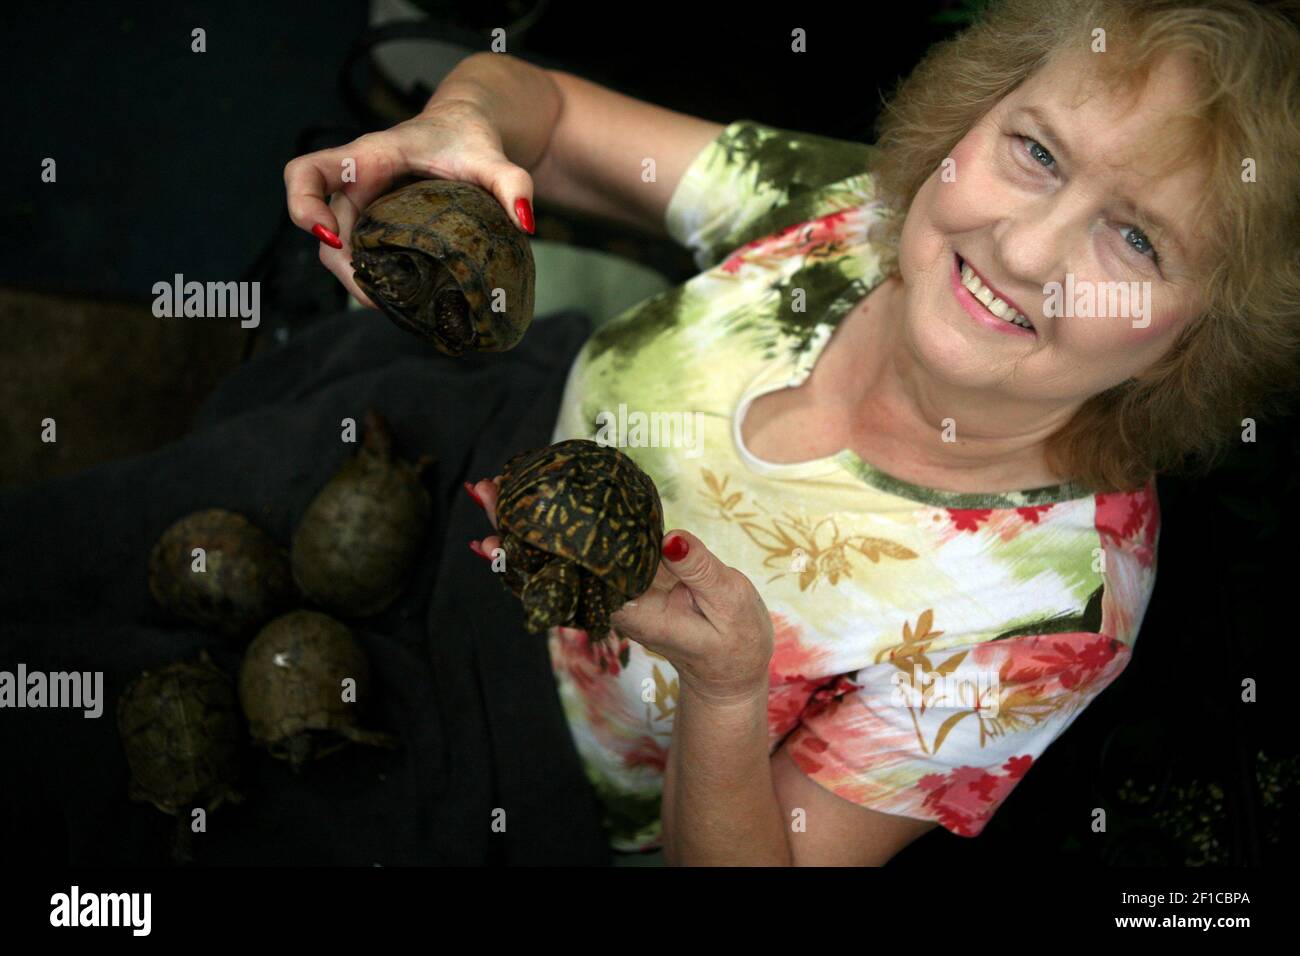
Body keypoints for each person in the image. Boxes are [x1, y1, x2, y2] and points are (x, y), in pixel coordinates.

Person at [284, 0, 1300, 865]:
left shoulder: (1053, 613)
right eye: (1034, 150)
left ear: (1203, 335)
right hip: (460, 445)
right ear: (967, 122)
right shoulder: (853, 208)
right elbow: (541, 112)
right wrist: (463, 123)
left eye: (1136, 238)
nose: (1025, 247)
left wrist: (723, 694)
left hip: (528, 767)